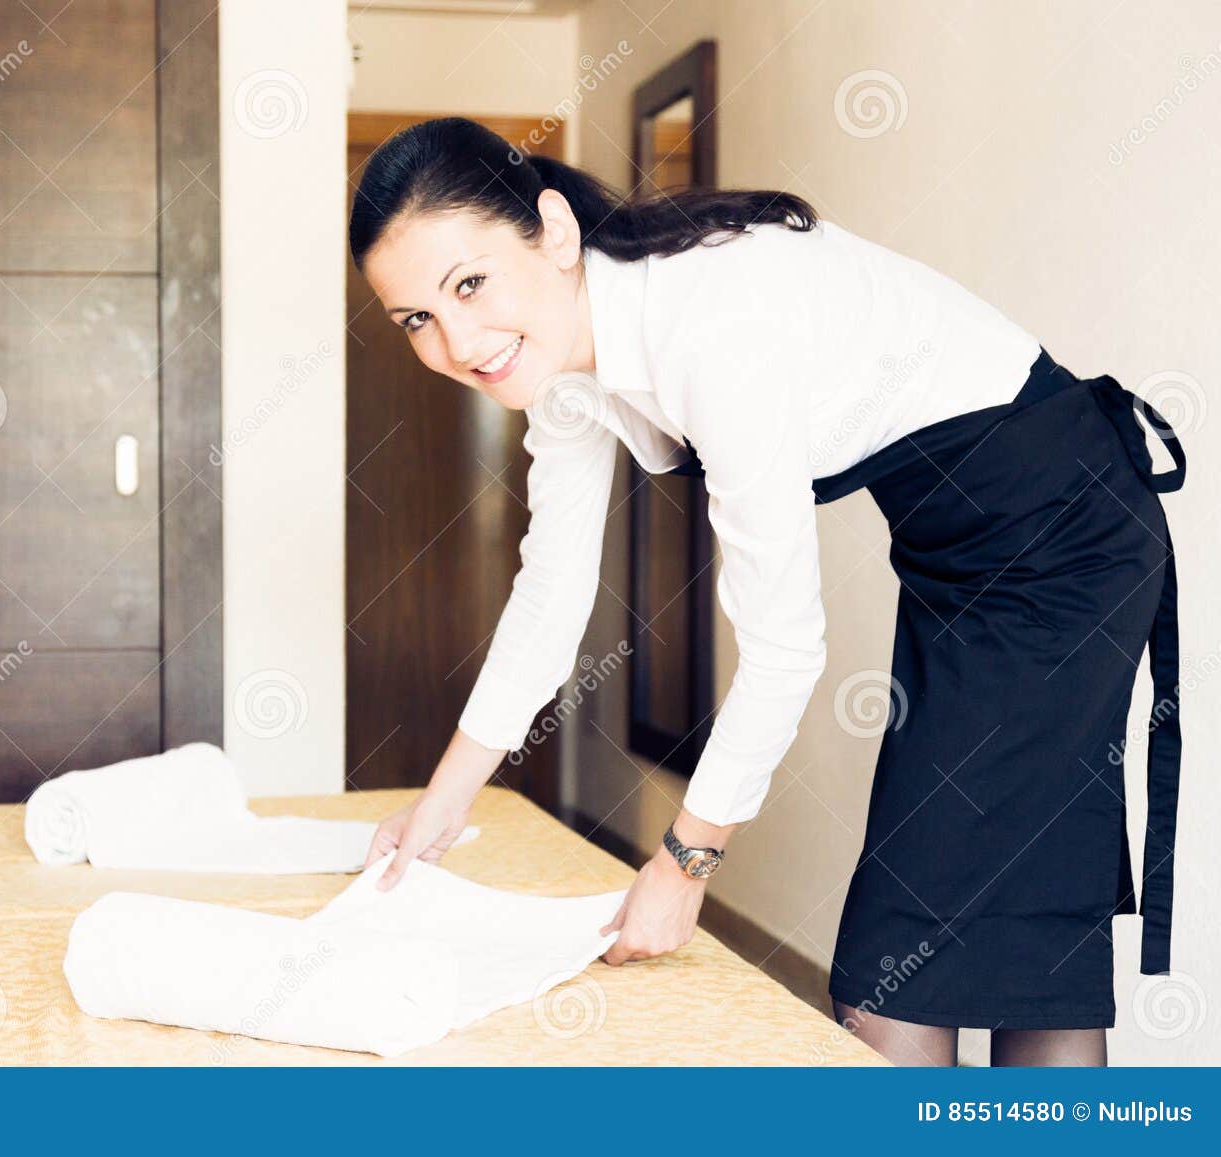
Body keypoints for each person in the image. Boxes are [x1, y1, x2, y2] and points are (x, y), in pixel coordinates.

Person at [349, 117, 1184, 1067]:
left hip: (1061, 538)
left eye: (470, 283)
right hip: (961, 561)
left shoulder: (712, 322)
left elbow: (785, 646)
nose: (458, 341)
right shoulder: (561, 362)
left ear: (555, 228)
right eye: (416, 318)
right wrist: (444, 802)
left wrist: (684, 861)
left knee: (899, 960)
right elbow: (551, 587)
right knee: (1013, 917)